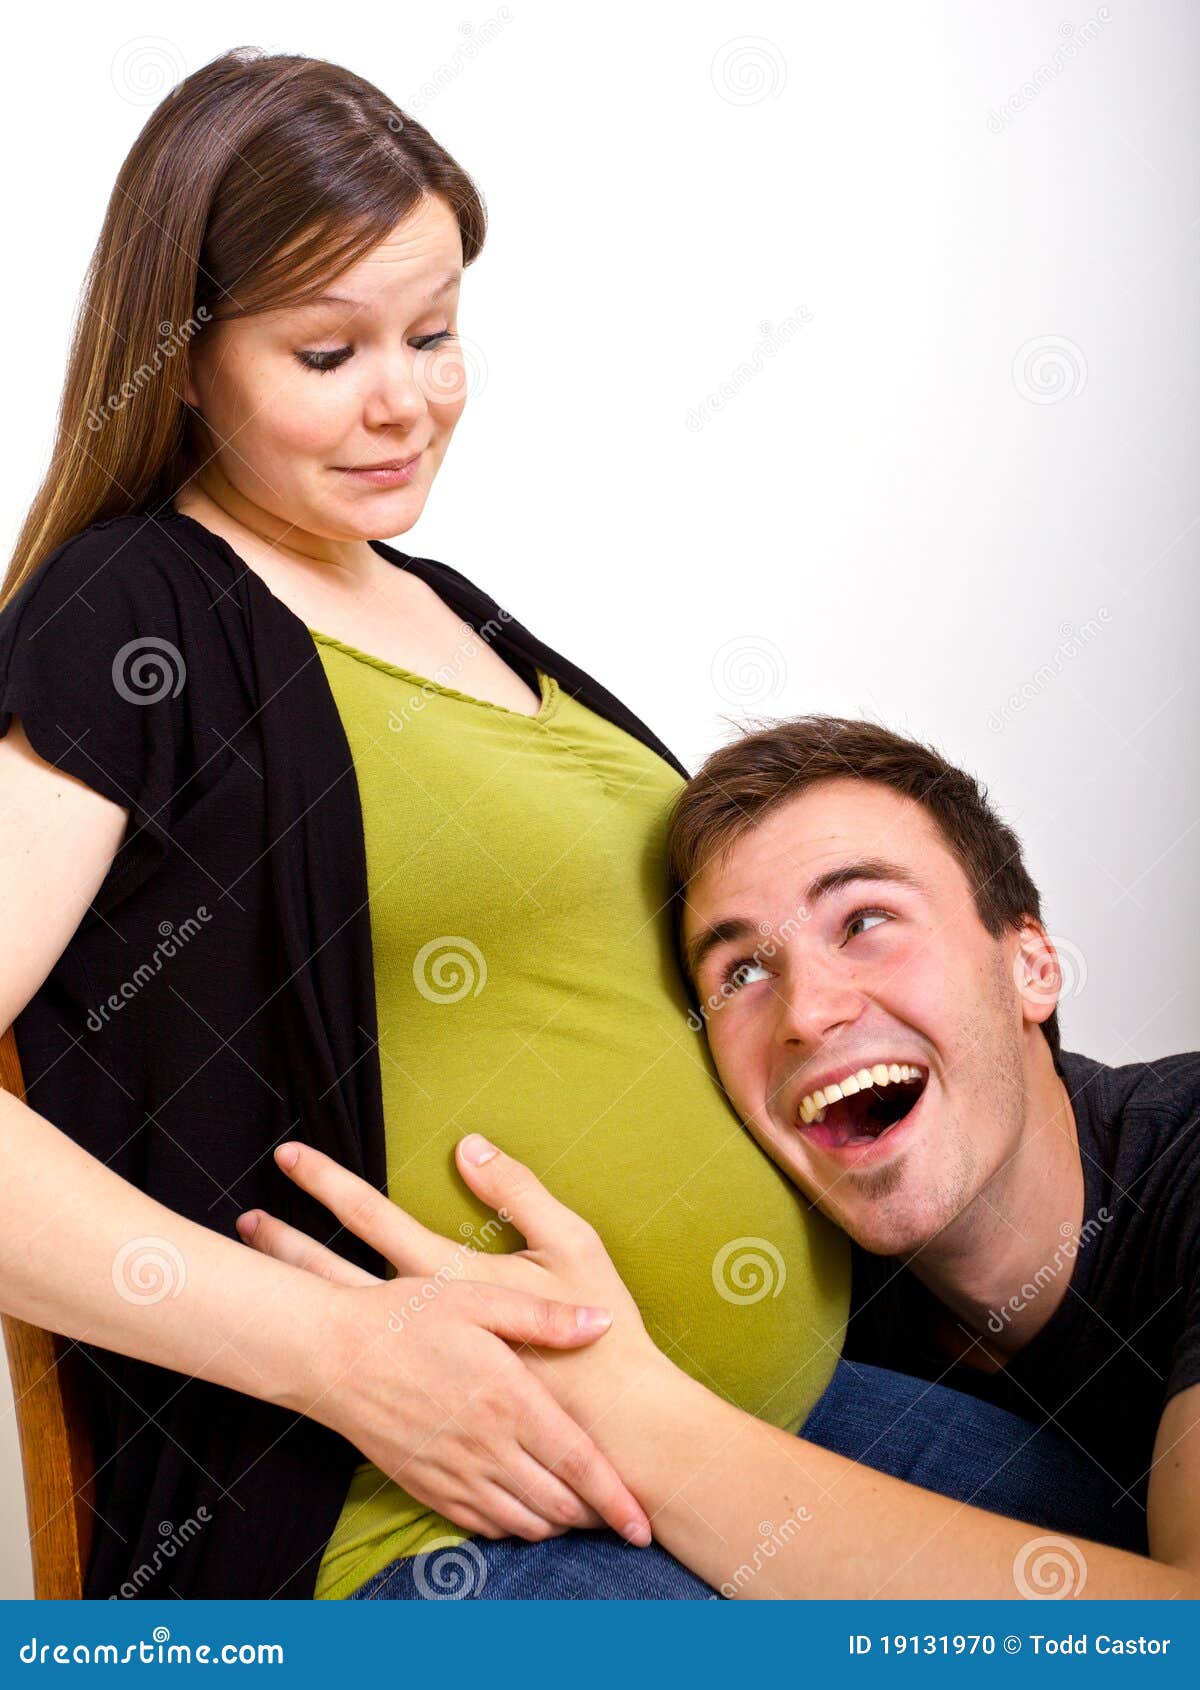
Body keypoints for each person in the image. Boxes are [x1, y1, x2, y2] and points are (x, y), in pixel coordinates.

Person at [0, 46, 847, 1600]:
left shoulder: (442, 603)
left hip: (733, 1442)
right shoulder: (144, 609)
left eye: (437, 332)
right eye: (327, 352)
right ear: (183, 359)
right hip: (440, 1529)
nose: (408, 401)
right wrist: (342, 1351)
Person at [237, 715, 1200, 1599]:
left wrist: (638, 1417)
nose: (808, 1012)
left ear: (1032, 963)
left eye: (865, 922)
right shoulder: (813, 1285)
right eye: (740, 972)